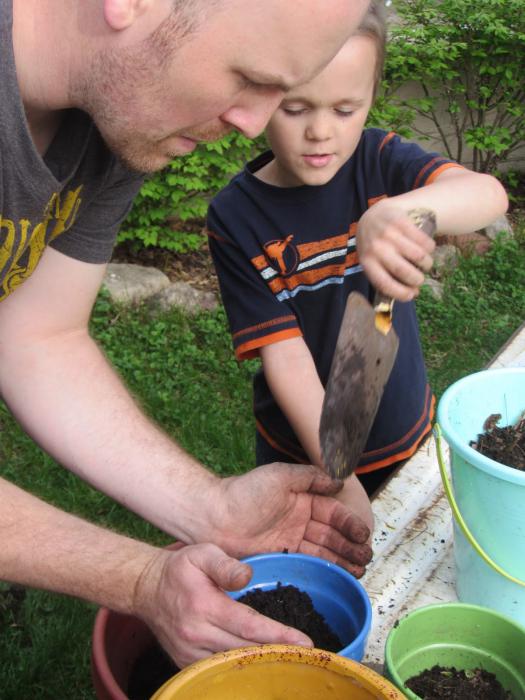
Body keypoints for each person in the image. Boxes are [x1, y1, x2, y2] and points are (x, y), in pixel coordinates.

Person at [0, 0, 374, 669]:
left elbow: (38, 335)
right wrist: (140, 579)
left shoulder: (114, 117)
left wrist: (211, 507)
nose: (251, 127)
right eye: (249, 78)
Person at [206, 1, 509, 532]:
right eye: (296, 109)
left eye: (345, 110)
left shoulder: (381, 162)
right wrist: (339, 477)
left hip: (404, 431)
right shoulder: (236, 217)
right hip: (306, 456)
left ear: (370, 99)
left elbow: (488, 194)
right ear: (262, 96)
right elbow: (286, 359)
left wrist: (401, 210)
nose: (321, 131)